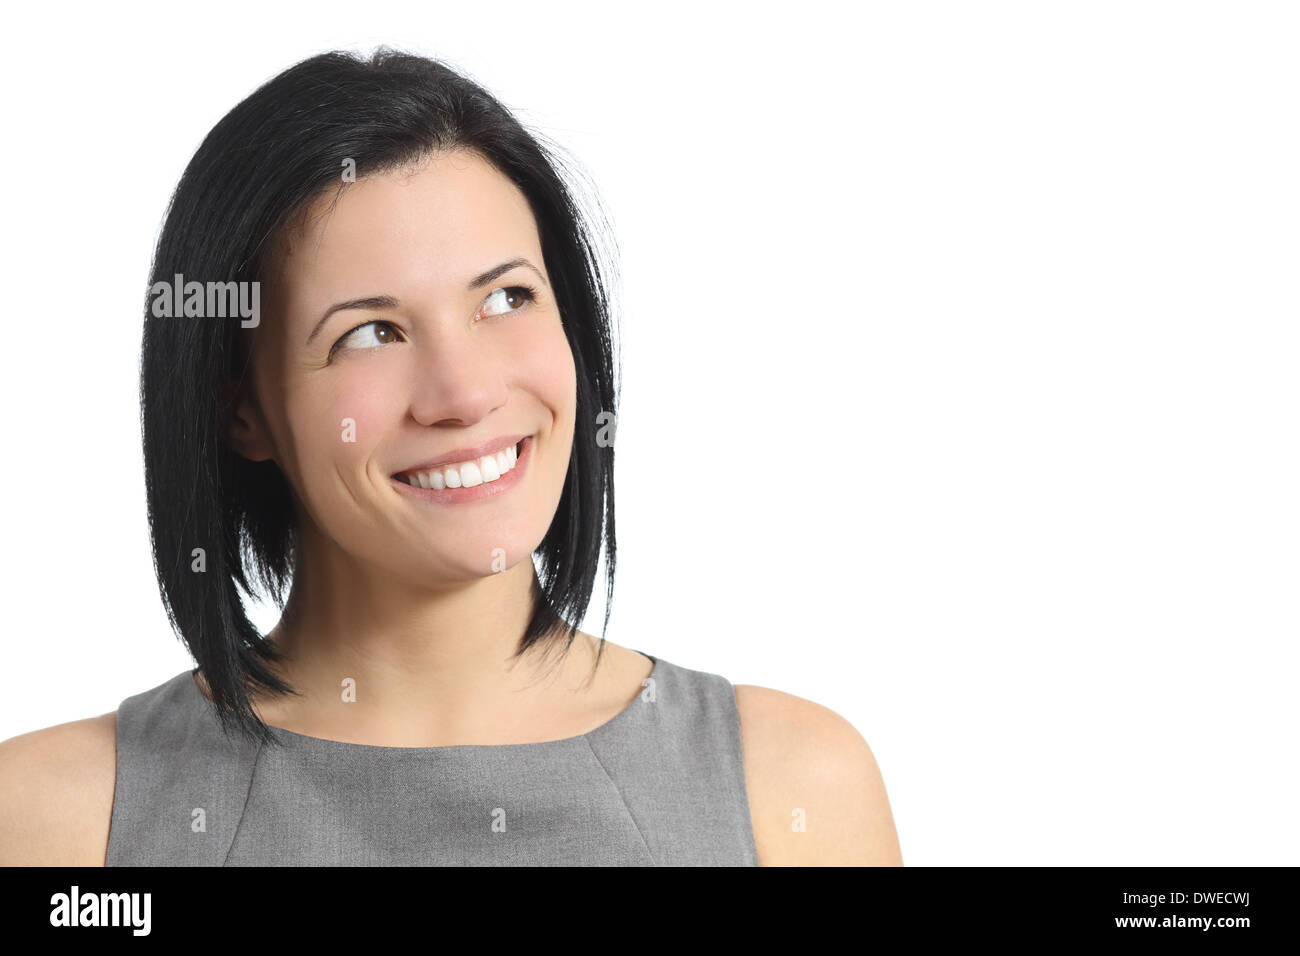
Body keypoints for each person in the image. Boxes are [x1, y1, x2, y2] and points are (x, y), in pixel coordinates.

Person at [0, 48, 902, 866]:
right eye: (371, 332)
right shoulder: (53, 820)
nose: (465, 395)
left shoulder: (794, 794)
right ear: (242, 410)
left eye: (507, 299)